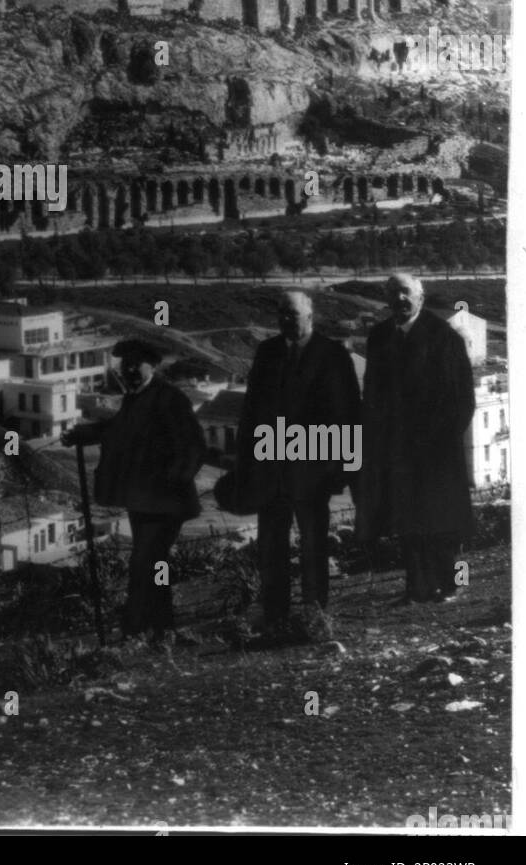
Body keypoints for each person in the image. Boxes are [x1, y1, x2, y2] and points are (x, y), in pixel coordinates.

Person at [234, 291, 361, 644]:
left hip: (312, 467)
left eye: (293, 314)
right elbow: (251, 412)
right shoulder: (267, 352)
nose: (286, 320)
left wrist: (344, 467)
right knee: (271, 545)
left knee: (313, 545)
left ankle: (315, 616)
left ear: (310, 316)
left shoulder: (333, 355)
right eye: (281, 314)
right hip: (271, 467)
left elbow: (349, 413)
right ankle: (275, 618)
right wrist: (245, 462)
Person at [62, 339, 207, 645]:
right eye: (124, 364)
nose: (129, 369)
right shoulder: (134, 399)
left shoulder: (170, 399)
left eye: (136, 363)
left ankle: (135, 629)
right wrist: (82, 434)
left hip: (167, 501)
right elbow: (116, 430)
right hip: (143, 501)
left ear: (152, 366)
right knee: (155, 563)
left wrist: (173, 480)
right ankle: (163, 628)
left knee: (144, 561)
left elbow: (194, 445)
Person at [355, 274, 475, 603]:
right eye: (393, 294)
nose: (400, 299)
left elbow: (463, 397)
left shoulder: (443, 337)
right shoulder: (379, 337)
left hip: (437, 449)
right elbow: (373, 395)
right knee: (406, 519)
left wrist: (443, 439)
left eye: (406, 292)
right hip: (397, 448)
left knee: (439, 519)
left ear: (420, 298)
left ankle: (451, 585)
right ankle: (416, 587)